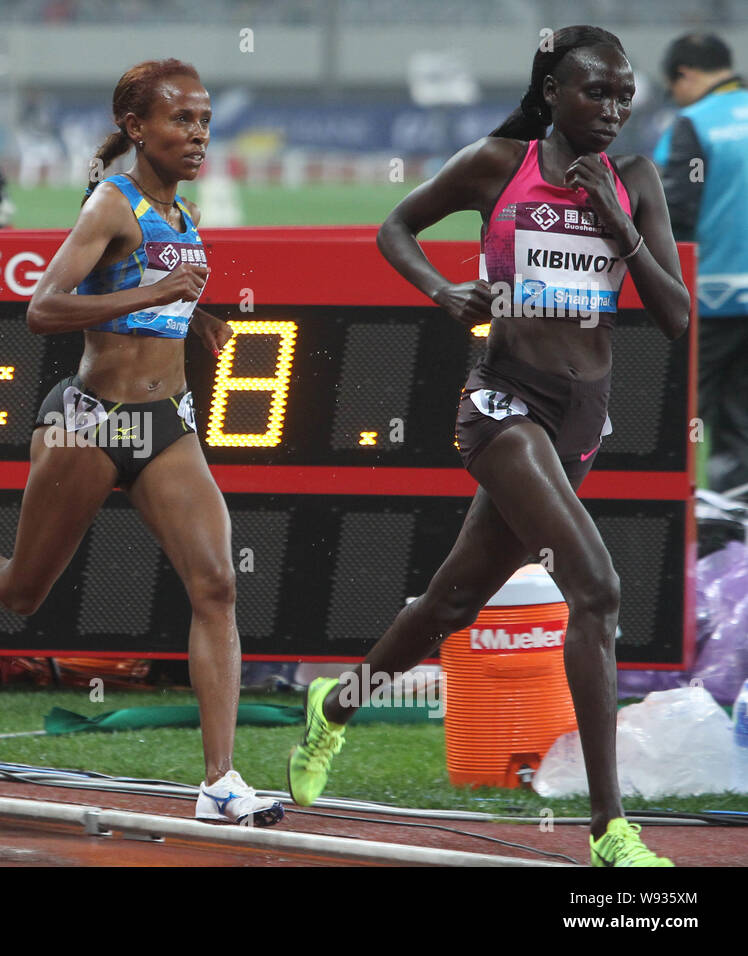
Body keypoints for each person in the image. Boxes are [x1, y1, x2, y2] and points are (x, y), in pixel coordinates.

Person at [286, 26, 689, 866]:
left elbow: (675, 316)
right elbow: (395, 228)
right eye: (594, 92)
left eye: (624, 94)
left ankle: (334, 705)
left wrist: (620, 225)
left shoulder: (636, 180)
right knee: (598, 589)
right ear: (552, 93)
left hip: (581, 424)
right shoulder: (496, 164)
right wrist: (442, 290)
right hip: (502, 407)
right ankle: (612, 832)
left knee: (450, 603)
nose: (612, 109)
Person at [0, 58, 284, 827]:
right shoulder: (110, 207)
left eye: (206, 120)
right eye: (182, 120)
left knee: (215, 584)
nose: (199, 134)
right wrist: (155, 294)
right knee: (20, 591)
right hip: (89, 421)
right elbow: (43, 309)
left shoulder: (181, 213)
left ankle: (219, 783)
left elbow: (157, 299)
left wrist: (199, 319)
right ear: (138, 128)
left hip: (165, 423)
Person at [655, 33, 748, 493]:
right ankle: (737, 526)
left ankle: (674, 523)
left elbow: (675, 214)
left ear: (685, 75)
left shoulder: (693, 124)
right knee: (742, 427)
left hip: (710, 300)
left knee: (676, 418)